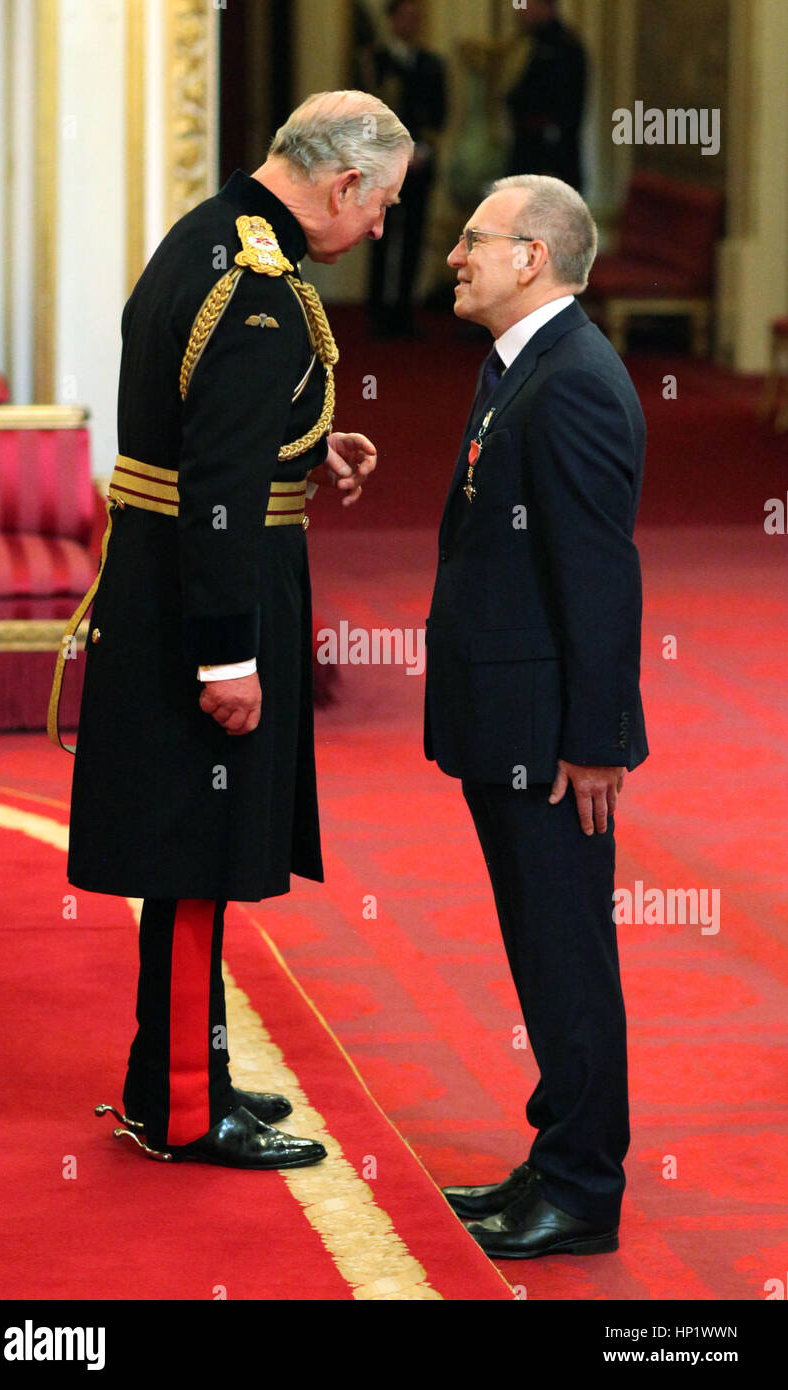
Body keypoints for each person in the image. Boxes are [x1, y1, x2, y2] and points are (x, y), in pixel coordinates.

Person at [52, 91, 412, 1170]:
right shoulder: (258, 285)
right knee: (197, 858)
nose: (382, 228)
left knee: (192, 857)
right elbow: (213, 479)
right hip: (198, 601)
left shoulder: (219, 233)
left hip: (166, 577)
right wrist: (229, 654)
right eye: (383, 204)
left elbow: (208, 425)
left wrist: (301, 445)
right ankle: (180, 1107)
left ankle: (183, 1068)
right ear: (343, 183)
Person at [425, 174, 648, 1256]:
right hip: (509, 719)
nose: (454, 254)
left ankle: (582, 1187)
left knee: (565, 951)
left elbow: (601, 576)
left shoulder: (575, 385)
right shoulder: (521, 363)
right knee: (541, 945)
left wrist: (594, 744)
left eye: (475, 239)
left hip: (554, 744)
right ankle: (553, 1157)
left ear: (533, 259)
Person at [367, 0, 447, 336]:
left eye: (417, 17)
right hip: (382, 166)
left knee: (413, 238)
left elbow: (439, 115)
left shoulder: (432, 64)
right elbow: (364, 114)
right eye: (405, 16)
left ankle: (403, 314)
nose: (411, 23)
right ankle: (377, 315)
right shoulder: (373, 61)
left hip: (419, 165)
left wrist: (421, 151)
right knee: (379, 236)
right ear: (391, 19)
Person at [507, 0, 587, 191]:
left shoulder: (566, 47)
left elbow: (568, 108)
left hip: (551, 156)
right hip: (526, 150)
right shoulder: (527, 44)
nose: (519, 10)